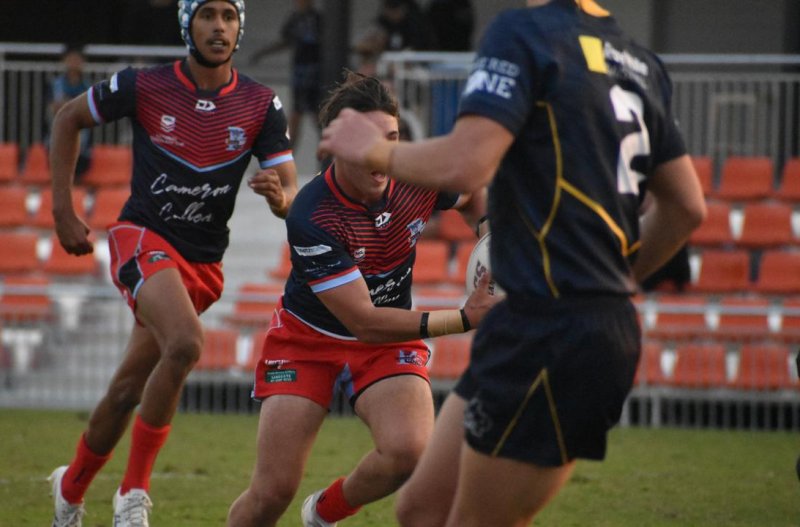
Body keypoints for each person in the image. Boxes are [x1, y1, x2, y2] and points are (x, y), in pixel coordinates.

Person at [318, 1, 707, 525]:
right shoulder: (639, 61)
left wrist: (374, 150)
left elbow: (466, 165)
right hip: (542, 323)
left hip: (553, 328)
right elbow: (686, 207)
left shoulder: (526, 33)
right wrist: (617, 281)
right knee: (420, 510)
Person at [47, 2, 298, 526]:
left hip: (202, 263)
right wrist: (63, 210)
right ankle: (132, 496)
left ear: (240, 26)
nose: (219, 26)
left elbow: (291, 191)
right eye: (207, 14)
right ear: (187, 23)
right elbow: (68, 117)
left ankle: (68, 490)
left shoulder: (260, 103)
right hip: (141, 237)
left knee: (125, 392)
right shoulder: (144, 84)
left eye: (229, 15)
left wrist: (281, 199)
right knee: (185, 343)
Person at [226, 71, 495, 527]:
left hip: (387, 341)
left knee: (410, 451)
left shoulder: (418, 177)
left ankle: (322, 514)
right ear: (337, 147)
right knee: (271, 493)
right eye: (369, 141)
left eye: (391, 139)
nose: (382, 155)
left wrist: (490, 240)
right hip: (307, 341)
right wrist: (464, 318)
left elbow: (472, 192)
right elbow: (364, 322)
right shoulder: (312, 213)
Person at [249, 0, 322, 151]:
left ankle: (328, 152)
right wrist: (262, 53)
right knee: (297, 114)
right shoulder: (295, 19)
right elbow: (285, 40)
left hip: (315, 72)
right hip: (300, 72)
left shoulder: (318, 19)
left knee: (316, 113)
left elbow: (331, 43)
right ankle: (288, 153)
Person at [353, 0, 435, 76]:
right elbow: (363, 45)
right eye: (389, 10)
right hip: (385, 63)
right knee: (366, 71)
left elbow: (416, 50)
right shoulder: (383, 23)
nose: (393, 14)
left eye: (395, 10)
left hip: (413, 65)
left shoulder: (415, 25)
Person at [48, 45, 92, 180]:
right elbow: (54, 108)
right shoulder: (56, 85)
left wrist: (67, 105)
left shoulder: (88, 87)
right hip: (58, 136)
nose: (74, 63)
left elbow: (88, 110)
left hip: (82, 139)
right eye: (71, 59)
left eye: (77, 59)